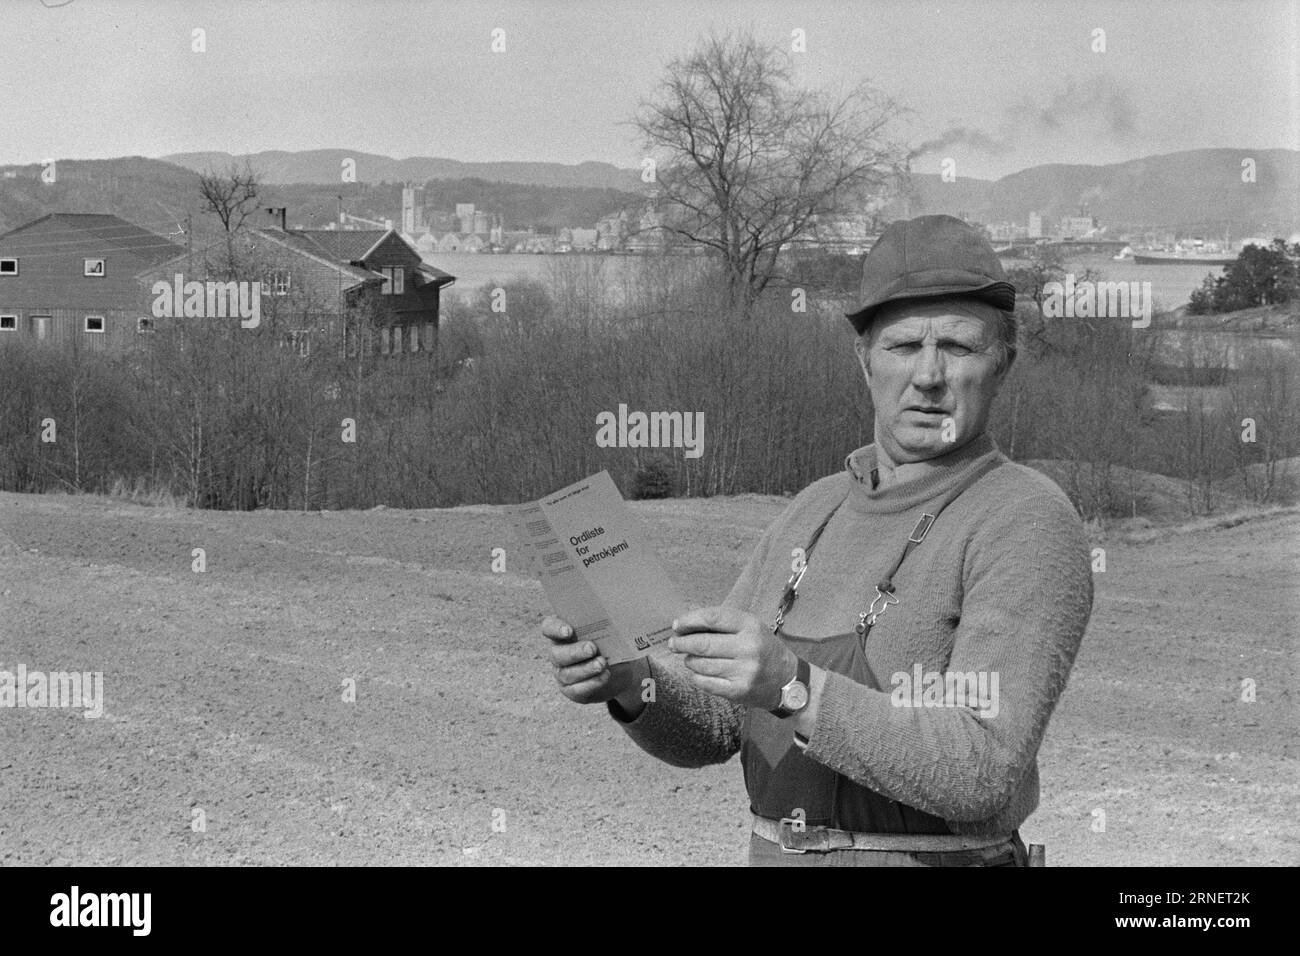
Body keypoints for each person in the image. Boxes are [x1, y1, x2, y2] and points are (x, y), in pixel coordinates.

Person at [543, 214, 1094, 866]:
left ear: (1002, 364)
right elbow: (723, 725)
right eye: (902, 346)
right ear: (865, 363)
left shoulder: (1023, 518)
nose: (928, 374)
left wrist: (792, 684)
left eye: (958, 346)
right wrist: (633, 682)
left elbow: (982, 767)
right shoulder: (813, 511)